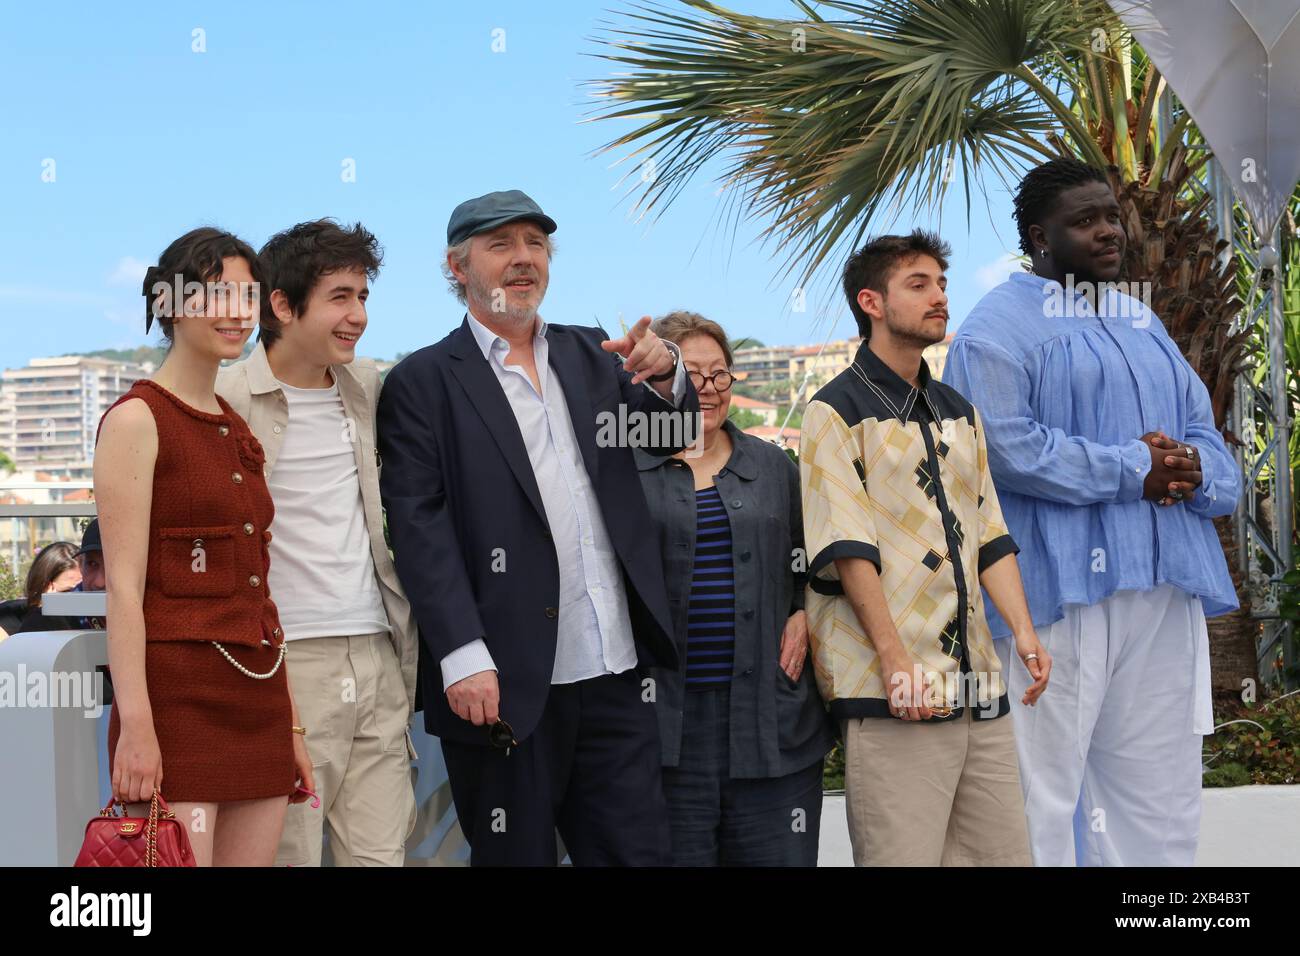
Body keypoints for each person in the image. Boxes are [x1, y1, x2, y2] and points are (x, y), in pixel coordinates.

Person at [377, 189, 699, 866]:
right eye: (501, 245)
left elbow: (672, 438)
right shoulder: (423, 381)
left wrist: (668, 372)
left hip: (614, 668)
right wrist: (462, 653)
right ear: (457, 267)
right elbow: (419, 527)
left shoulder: (595, 356)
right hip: (500, 684)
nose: (524, 259)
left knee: (637, 855)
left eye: (535, 244)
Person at [943, 158, 1240, 867]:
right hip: (1057, 598)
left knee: (1159, 796)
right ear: (1040, 238)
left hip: (1164, 585)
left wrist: (1196, 471)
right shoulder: (995, 328)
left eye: (1111, 215)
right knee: (1036, 796)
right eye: (1086, 221)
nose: (1110, 231)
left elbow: (1203, 430)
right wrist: (1132, 469)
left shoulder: (1141, 318)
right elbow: (1003, 449)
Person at [800, 230, 1051, 866]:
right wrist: (893, 662)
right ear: (872, 302)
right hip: (894, 693)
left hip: (976, 685)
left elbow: (989, 531)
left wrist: (1023, 633)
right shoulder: (834, 411)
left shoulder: (959, 411)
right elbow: (845, 546)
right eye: (919, 284)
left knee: (1003, 861)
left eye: (941, 283)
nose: (940, 297)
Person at [94, 227, 314, 867]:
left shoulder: (236, 428)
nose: (236, 311)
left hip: (259, 700)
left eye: (247, 295)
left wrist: (291, 725)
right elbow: (124, 589)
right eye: (217, 292)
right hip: (176, 709)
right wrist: (136, 727)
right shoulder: (138, 419)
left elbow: (259, 591)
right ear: (170, 302)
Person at [216, 219, 418, 867]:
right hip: (281, 665)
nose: (357, 315)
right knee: (286, 855)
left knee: (382, 858)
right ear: (281, 305)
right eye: (339, 296)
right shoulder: (225, 400)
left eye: (363, 296)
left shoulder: (367, 389)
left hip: (379, 655)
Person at [634, 311, 834, 866]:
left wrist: (803, 611)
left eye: (719, 374)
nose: (709, 389)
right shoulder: (624, 468)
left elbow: (819, 565)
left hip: (771, 724)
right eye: (690, 374)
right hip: (664, 733)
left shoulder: (773, 465)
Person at [17, 519, 107, 633]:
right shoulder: (46, 623)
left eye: (112, 566)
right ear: (80, 565)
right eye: (92, 564)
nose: (100, 582)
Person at [14, 541, 81, 631]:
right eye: (67, 592)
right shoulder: (33, 622)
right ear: (45, 588)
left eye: (81, 589)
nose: (78, 597)